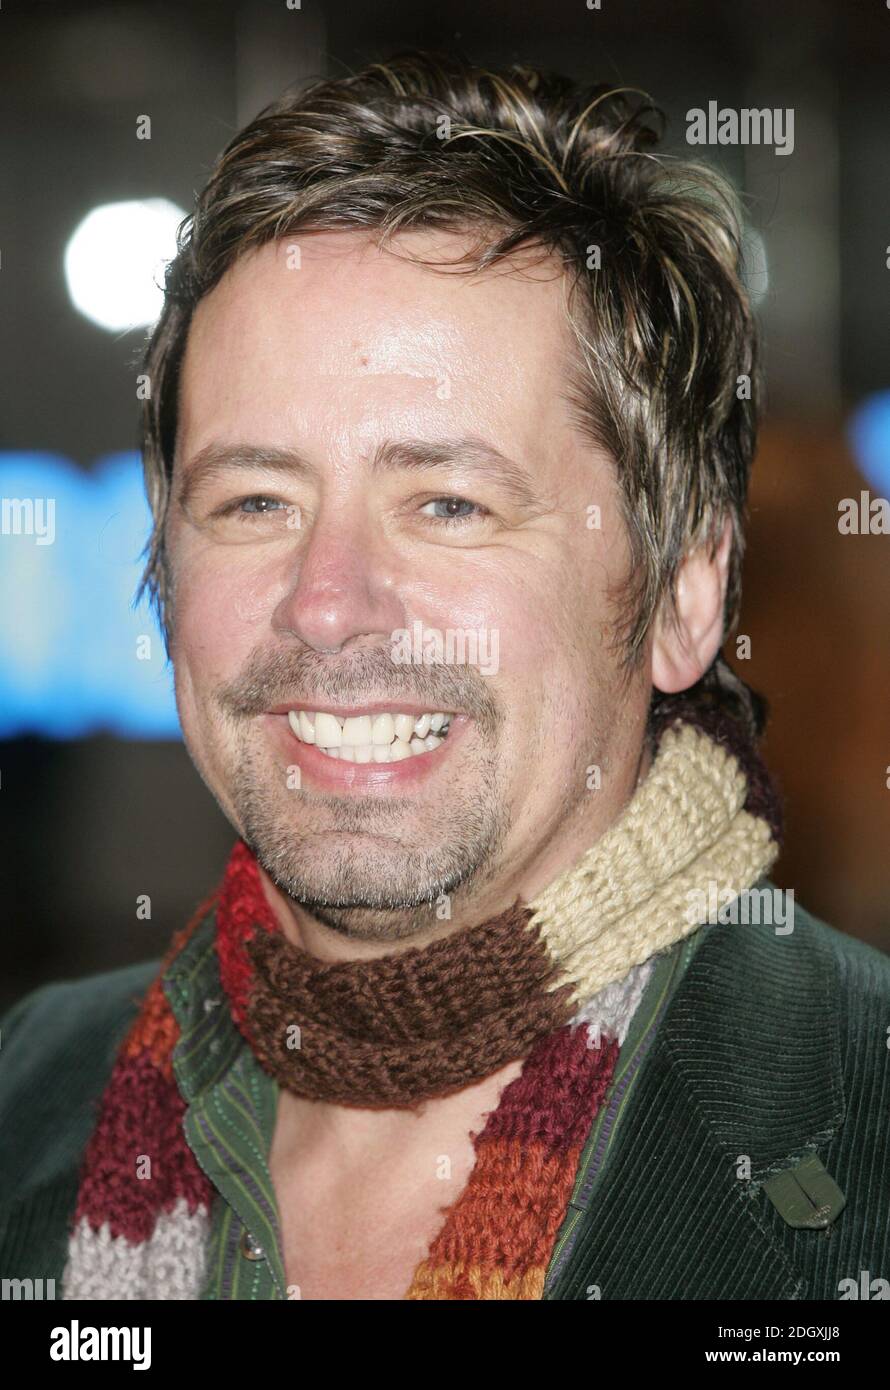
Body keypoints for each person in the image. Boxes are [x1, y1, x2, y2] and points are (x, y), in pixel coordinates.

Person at [2, 49, 888, 1302]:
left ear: (683, 595)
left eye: (448, 502)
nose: (326, 603)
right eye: (254, 499)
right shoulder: (29, 1094)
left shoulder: (859, 1123)